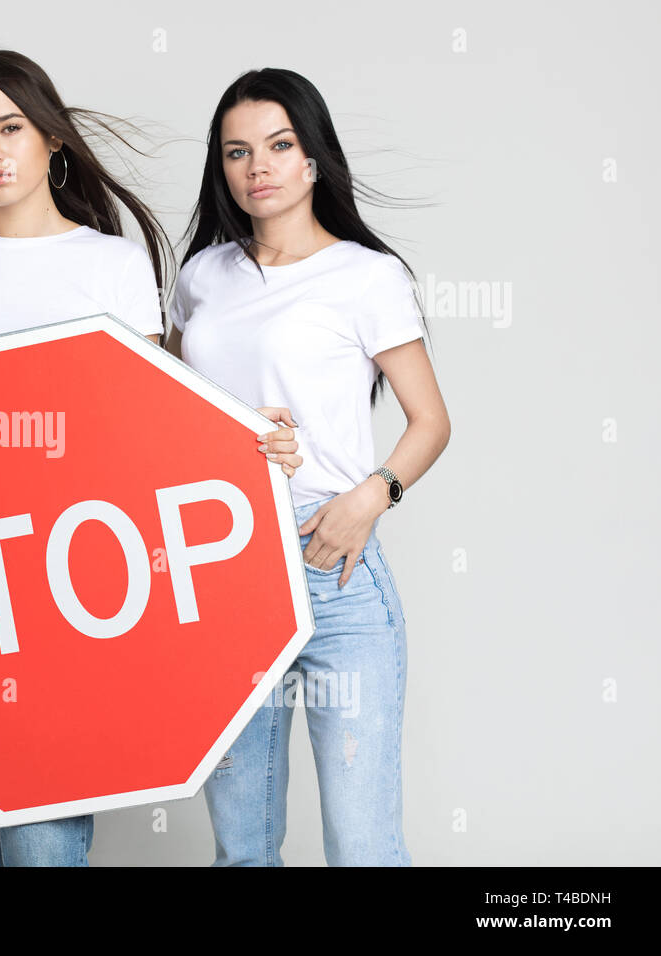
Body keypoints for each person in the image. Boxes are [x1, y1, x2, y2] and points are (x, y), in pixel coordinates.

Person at [0, 50, 302, 866]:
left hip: (65, 613)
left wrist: (241, 438)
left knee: (42, 851)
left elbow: (149, 434)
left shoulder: (115, 266)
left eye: (9, 128)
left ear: (50, 136)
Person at [167, 67, 451, 866]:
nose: (258, 166)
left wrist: (374, 494)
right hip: (221, 565)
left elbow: (430, 421)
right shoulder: (202, 278)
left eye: (279, 145)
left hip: (335, 566)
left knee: (362, 848)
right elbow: (165, 416)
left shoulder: (366, 276)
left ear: (313, 160)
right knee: (242, 848)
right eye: (237, 151)